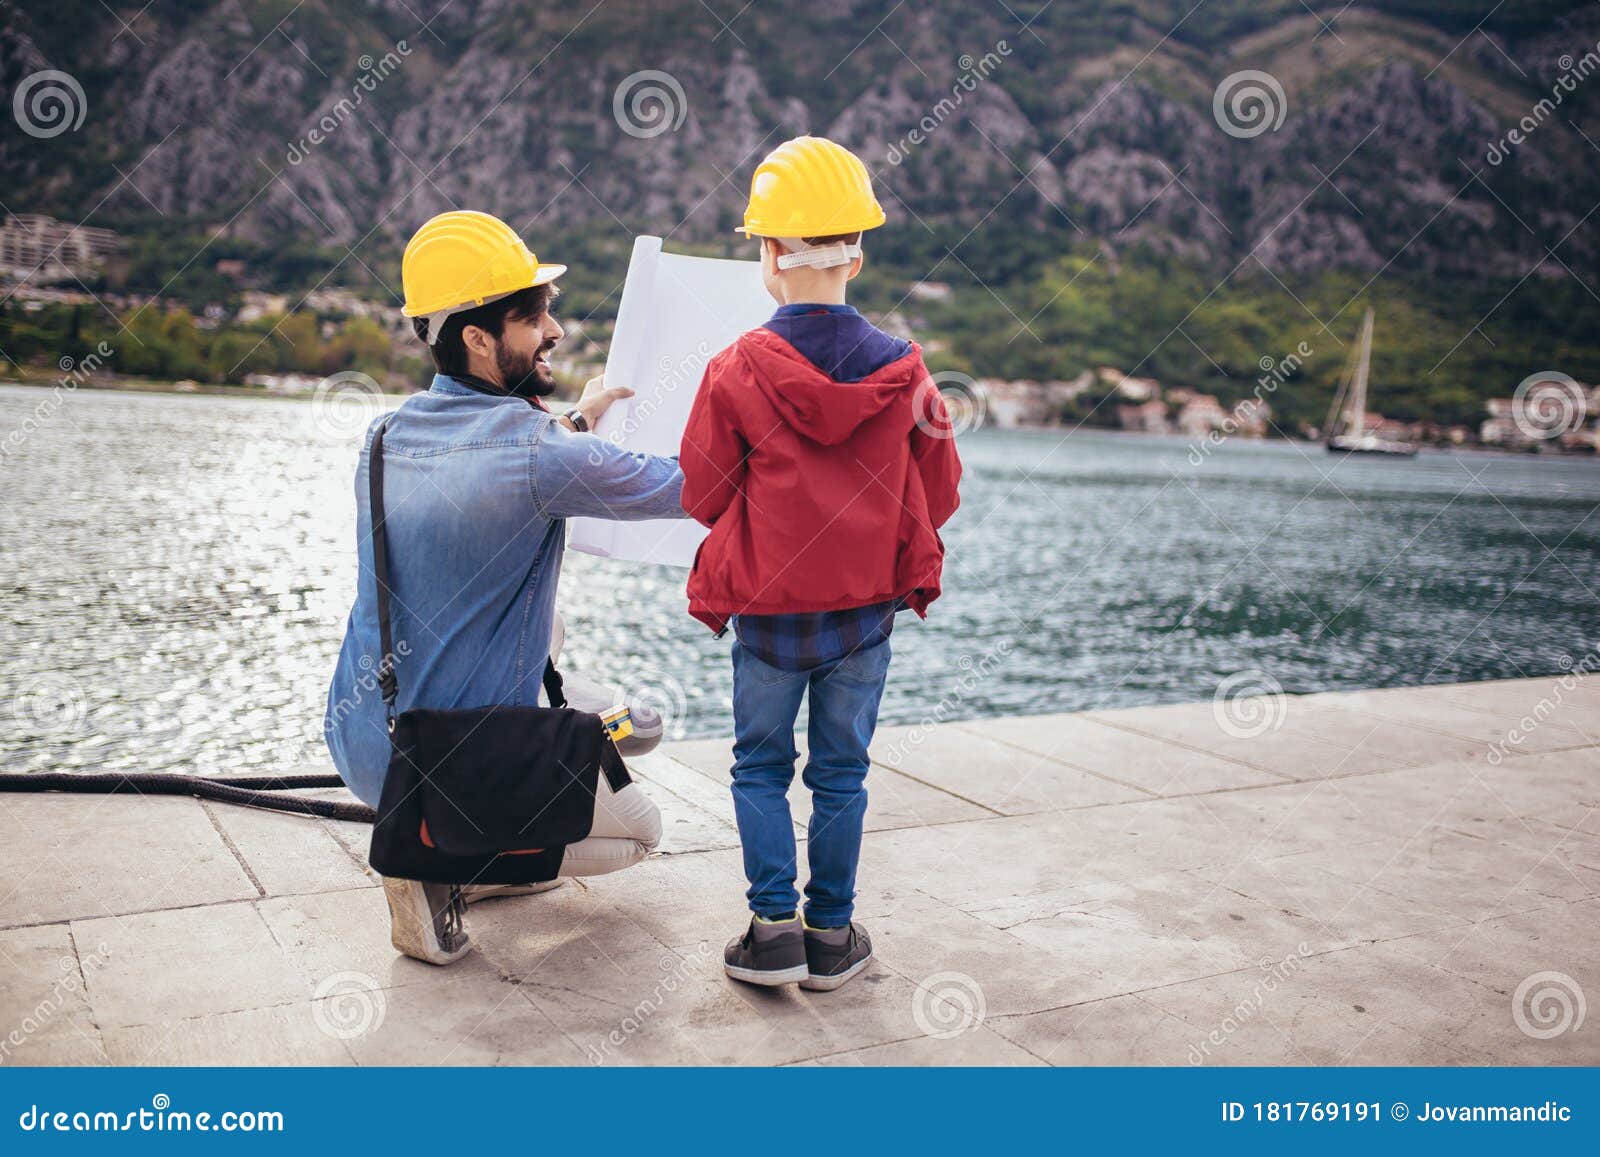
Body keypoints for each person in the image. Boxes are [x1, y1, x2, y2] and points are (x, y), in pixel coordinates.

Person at [325, 210, 687, 965]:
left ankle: (442, 837)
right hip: (450, 766)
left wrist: (576, 420)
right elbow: (690, 487)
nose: (553, 330)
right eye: (533, 318)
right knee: (641, 830)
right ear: (478, 339)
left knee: (610, 706)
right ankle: (441, 858)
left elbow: (494, 461)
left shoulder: (383, 439)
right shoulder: (537, 450)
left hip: (366, 741)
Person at [679, 137, 962, 990]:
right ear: (859, 255)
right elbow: (941, 490)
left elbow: (703, 492)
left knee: (760, 766)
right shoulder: (912, 376)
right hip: (862, 620)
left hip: (768, 616)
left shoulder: (733, 369)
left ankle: (772, 933)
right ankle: (832, 938)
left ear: (769, 254)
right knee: (841, 773)